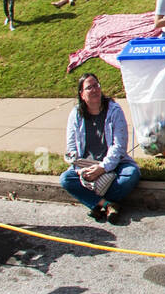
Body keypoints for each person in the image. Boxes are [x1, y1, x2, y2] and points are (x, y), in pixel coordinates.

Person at [60, 73, 141, 224]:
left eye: (96, 85)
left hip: (113, 163)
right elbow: (71, 147)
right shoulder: (76, 114)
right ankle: (108, 205)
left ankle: (96, 204)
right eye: (89, 87)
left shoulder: (114, 111)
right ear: (82, 94)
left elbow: (119, 146)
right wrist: (80, 170)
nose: (95, 90)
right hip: (86, 164)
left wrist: (102, 168)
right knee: (66, 179)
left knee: (131, 174)